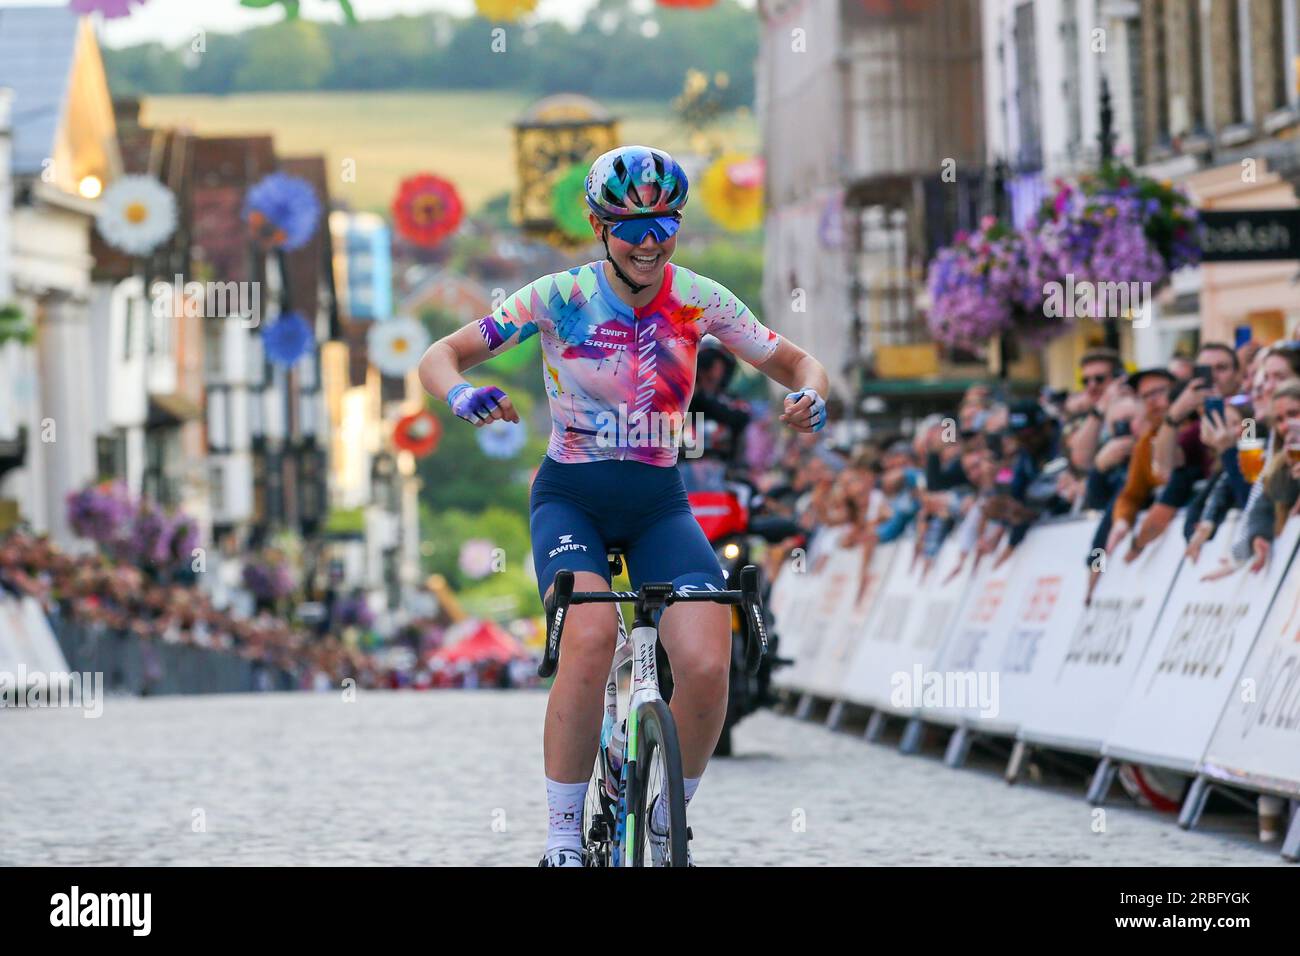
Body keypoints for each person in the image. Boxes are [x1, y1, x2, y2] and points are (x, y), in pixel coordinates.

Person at [417, 144, 829, 867]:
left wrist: (810, 393)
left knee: (707, 661)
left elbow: (795, 361)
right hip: (571, 497)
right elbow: (440, 354)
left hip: (658, 506)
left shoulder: (698, 298)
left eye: (664, 222)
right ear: (598, 225)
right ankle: (561, 841)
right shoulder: (559, 297)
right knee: (590, 634)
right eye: (631, 224)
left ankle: (668, 820)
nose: (649, 240)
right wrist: (461, 394)